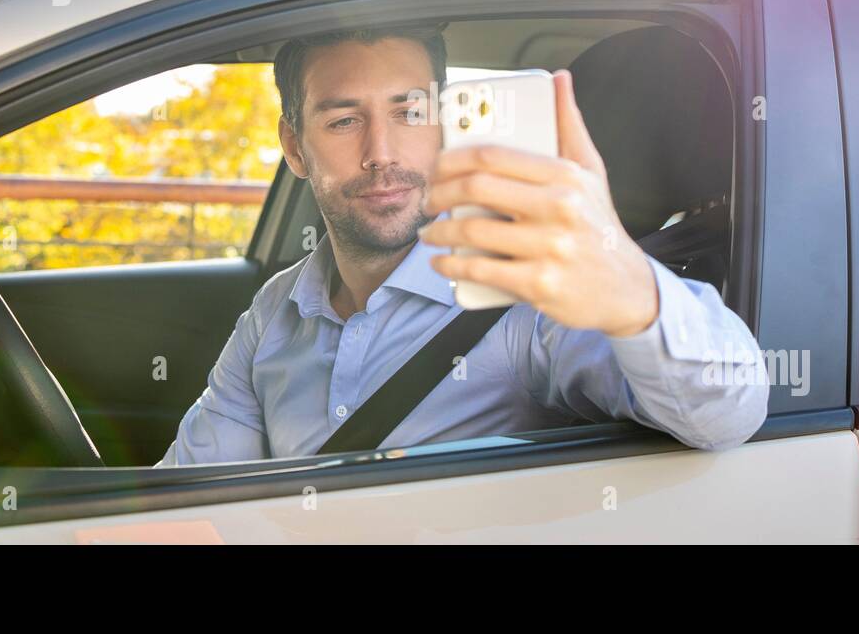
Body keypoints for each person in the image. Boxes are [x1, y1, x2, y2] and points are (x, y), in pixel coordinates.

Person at [156, 24, 768, 465]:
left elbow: (726, 413)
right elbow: (197, 484)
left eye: (409, 113)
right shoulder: (274, 312)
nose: (382, 154)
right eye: (344, 121)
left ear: (445, 123)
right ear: (294, 147)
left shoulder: (527, 288)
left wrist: (631, 290)